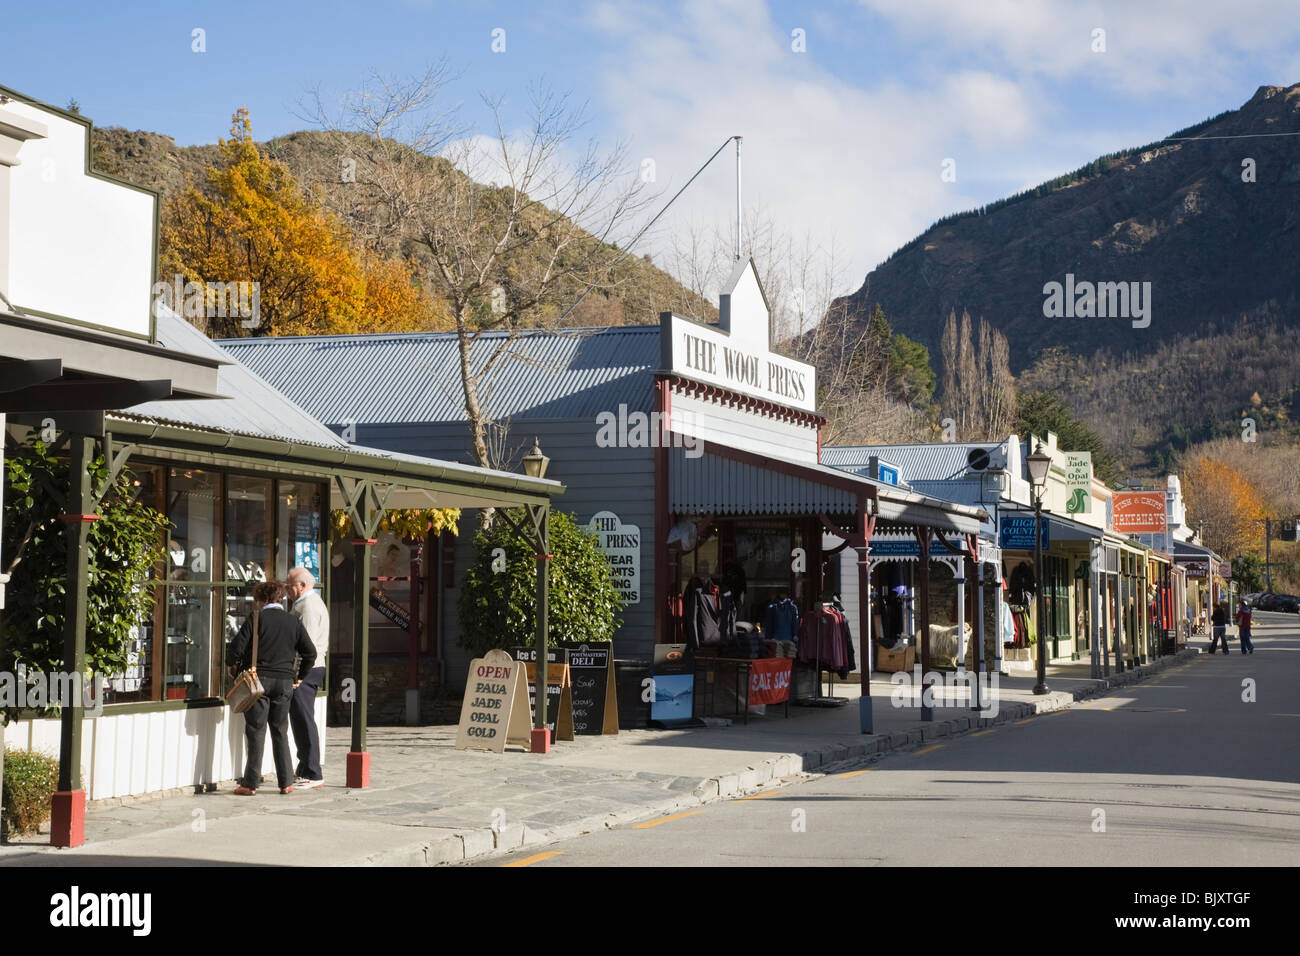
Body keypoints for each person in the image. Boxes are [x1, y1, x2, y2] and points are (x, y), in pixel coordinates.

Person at [227, 580, 316, 795]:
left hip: (259, 679)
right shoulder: (293, 621)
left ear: (262, 599)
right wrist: (299, 676)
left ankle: (250, 784)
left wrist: (232, 667)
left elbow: (235, 649)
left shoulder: (256, 619)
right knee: (280, 732)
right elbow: (310, 653)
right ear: (280, 598)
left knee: (256, 731)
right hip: (285, 682)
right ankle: (285, 782)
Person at [286, 566, 330, 788]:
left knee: (303, 719)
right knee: (300, 718)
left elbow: (307, 647)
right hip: (309, 669)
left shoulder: (308, 608)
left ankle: (313, 772)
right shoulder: (306, 604)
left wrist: (298, 675)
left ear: (302, 585)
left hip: (308, 670)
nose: (286, 589)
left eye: (289, 585)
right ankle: (305, 767)